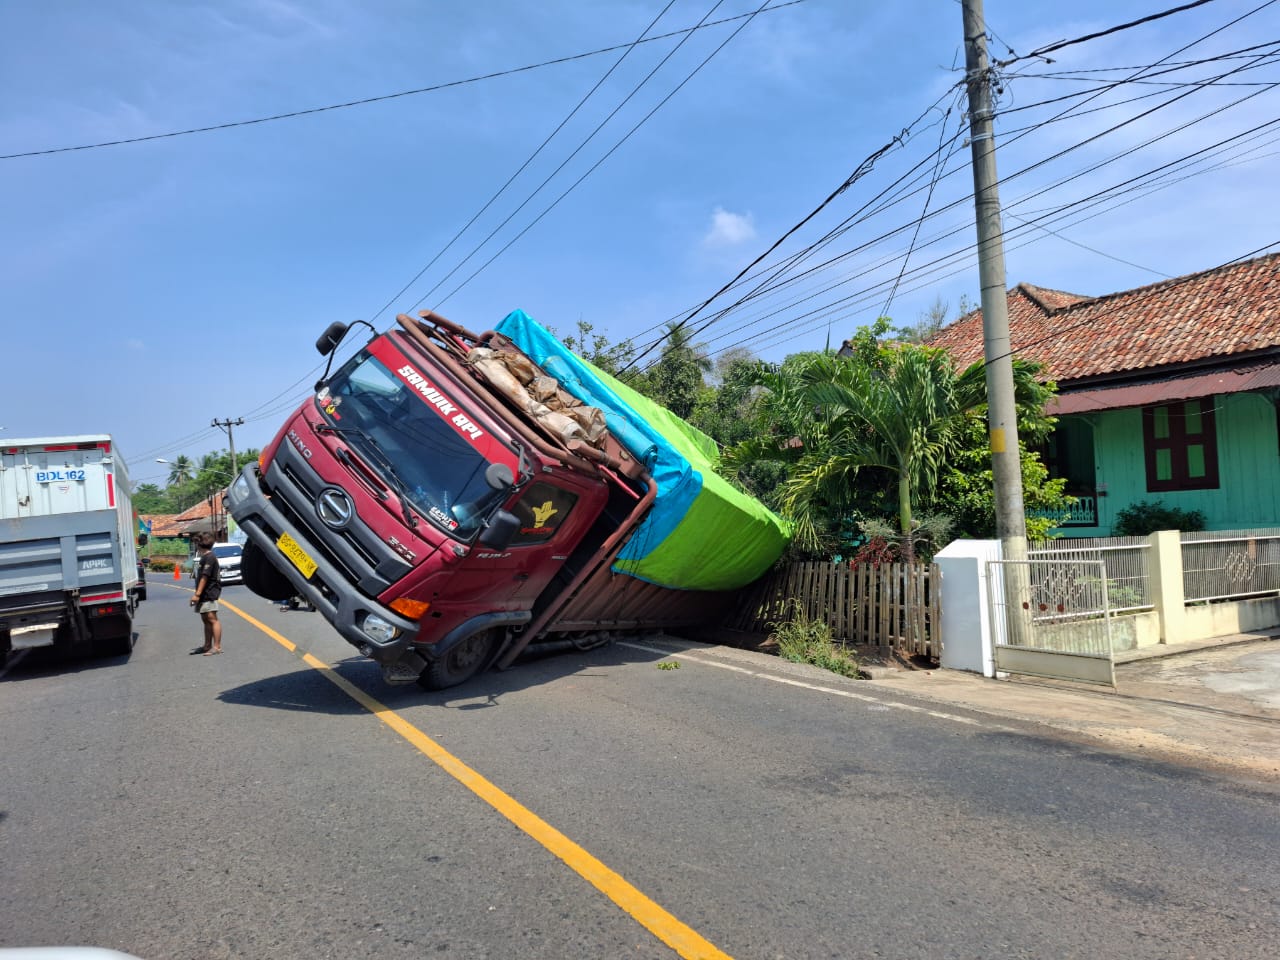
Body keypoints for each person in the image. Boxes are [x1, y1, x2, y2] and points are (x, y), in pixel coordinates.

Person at [189, 532, 223, 655]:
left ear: (199, 544)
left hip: (209, 592)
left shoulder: (209, 557)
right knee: (205, 619)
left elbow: (205, 577)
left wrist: (197, 595)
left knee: (212, 618)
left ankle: (217, 647)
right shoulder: (205, 557)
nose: (195, 546)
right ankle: (207, 645)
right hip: (204, 593)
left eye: (196, 543)